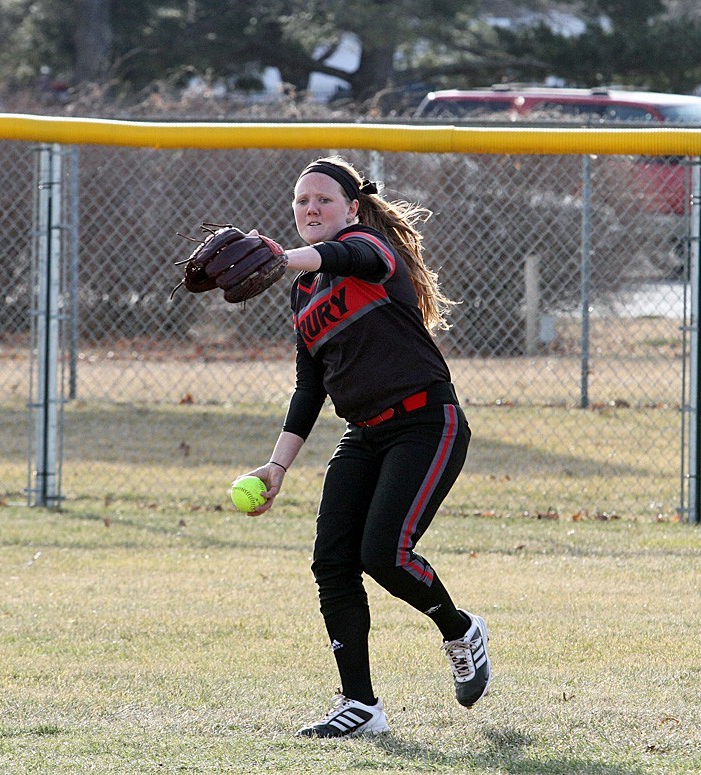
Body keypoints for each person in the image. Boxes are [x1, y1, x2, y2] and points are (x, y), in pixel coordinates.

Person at [236, 156, 490, 738]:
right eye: (301, 201)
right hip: (365, 433)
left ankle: (460, 631)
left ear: (351, 207)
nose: (310, 209)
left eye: (323, 199)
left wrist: (281, 255)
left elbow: (349, 256)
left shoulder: (370, 249)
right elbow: (310, 386)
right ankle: (360, 705)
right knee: (332, 560)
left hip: (428, 424)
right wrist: (277, 466)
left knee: (385, 553)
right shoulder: (302, 292)